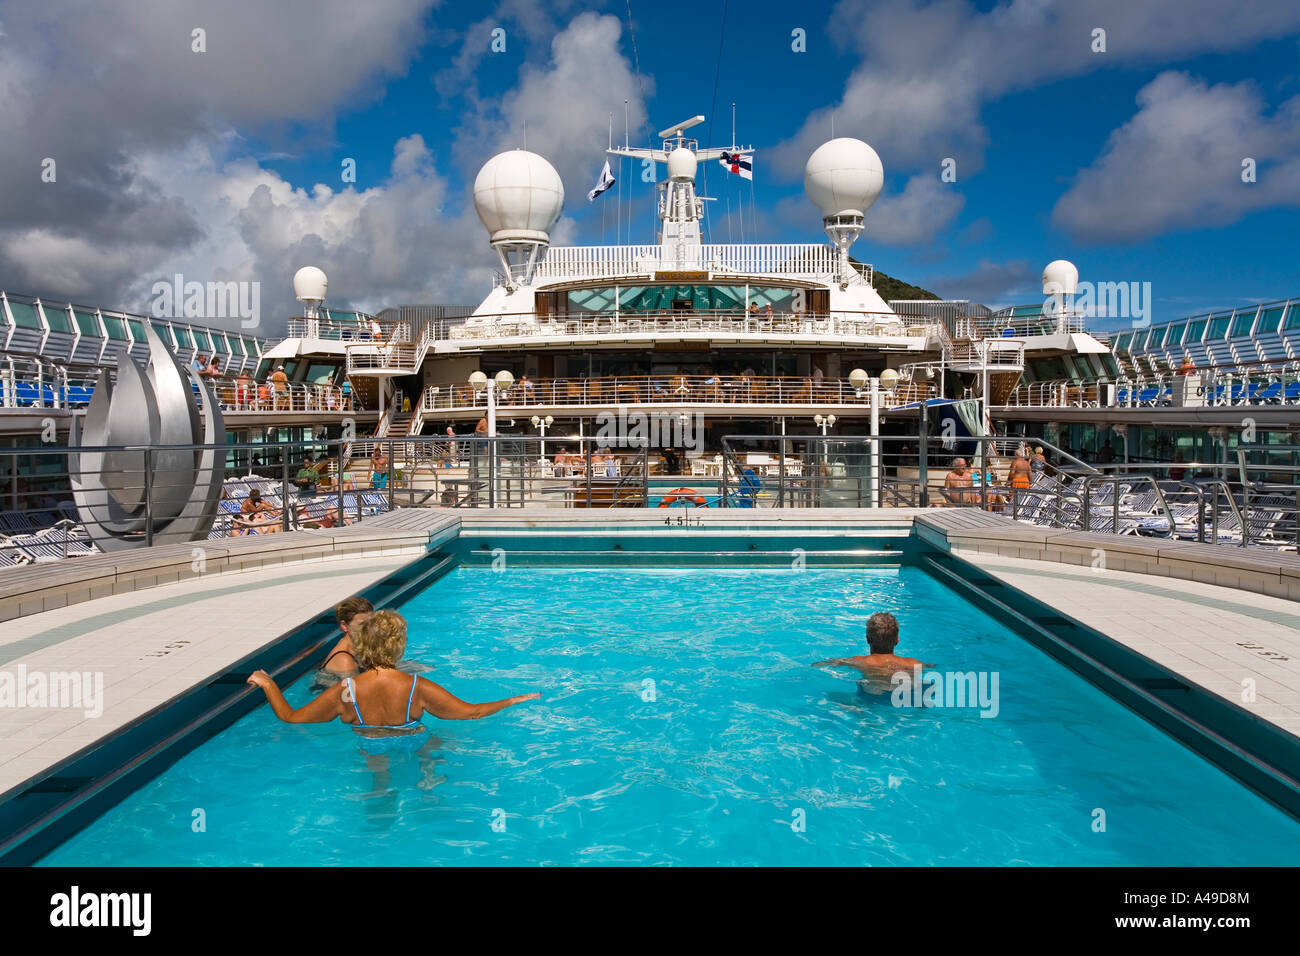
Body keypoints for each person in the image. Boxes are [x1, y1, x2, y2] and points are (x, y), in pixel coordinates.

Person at [246, 610, 541, 742]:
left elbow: (291, 717)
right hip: (411, 738)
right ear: (398, 646)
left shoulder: (346, 688)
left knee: (379, 779)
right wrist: (514, 699)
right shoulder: (416, 685)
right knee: (432, 746)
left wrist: (269, 684)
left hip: (368, 740)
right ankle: (428, 779)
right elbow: (472, 713)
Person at [814, 612, 933, 697]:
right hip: (907, 695)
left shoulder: (861, 661)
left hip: (875, 697)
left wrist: (816, 664)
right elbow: (932, 667)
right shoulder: (914, 663)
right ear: (897, 640)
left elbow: (829, 663)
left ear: (867, 639)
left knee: (833, 696)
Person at [311, 596, 373, 691]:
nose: (370, 628)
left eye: (372, 622)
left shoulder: (361, 645)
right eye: (363, 624)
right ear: (344, 626)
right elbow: (357, 696)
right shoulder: (344, 660)